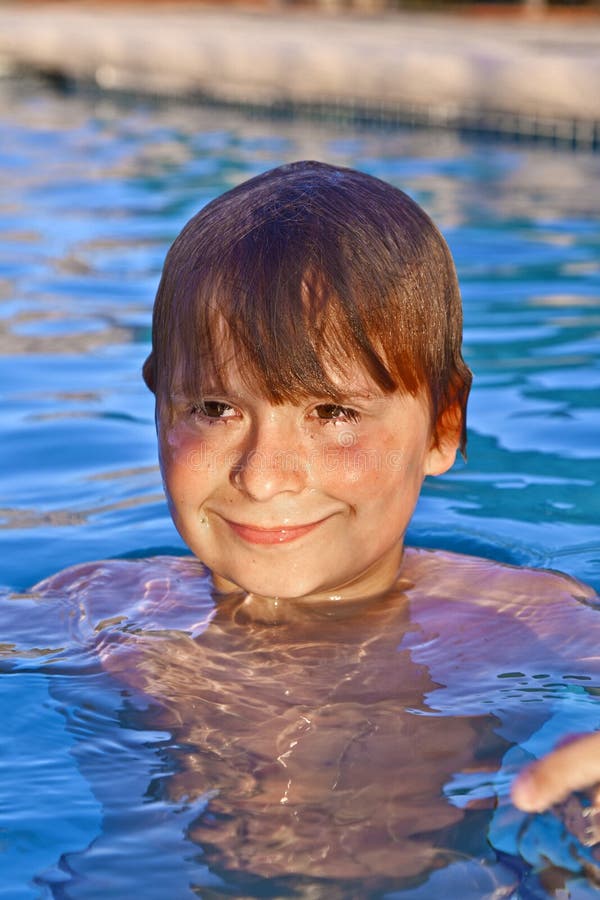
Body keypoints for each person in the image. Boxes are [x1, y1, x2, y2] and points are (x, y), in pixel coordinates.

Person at [32, 160, 599, 894]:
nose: (264, 476)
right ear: (159, 405)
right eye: (214, 409)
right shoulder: (100, 614)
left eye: (333, 414)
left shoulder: (523, 618)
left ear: (443, 426)